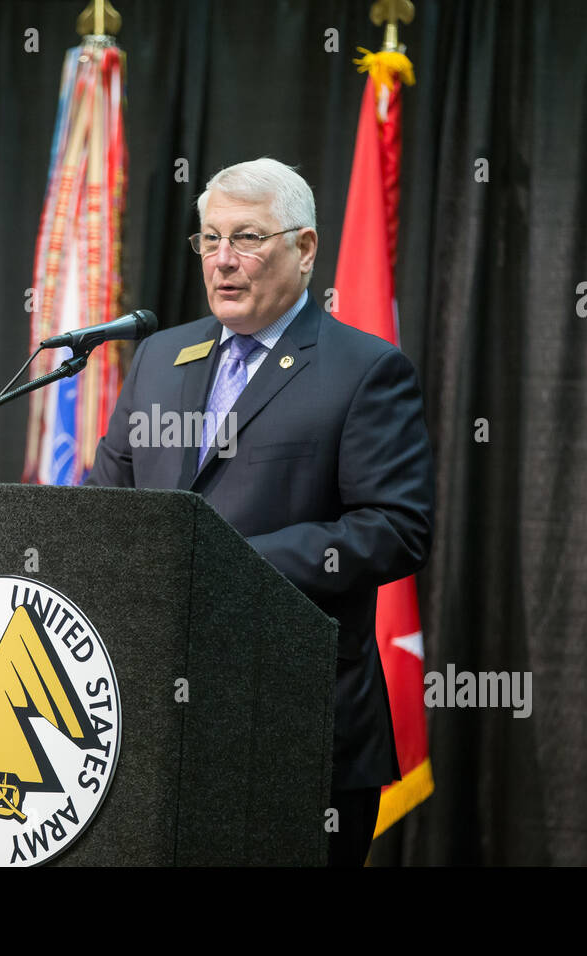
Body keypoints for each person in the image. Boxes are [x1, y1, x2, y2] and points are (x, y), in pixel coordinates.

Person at [83, 158, 435, 865]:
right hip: (151, 723)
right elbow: (105, 512)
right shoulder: (160, 356)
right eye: (209, 240)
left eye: (246, 238)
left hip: (292, 724)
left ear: (305, 250)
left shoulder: (363, 370)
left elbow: (396, 530)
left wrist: (231, 565)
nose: (223, 261)